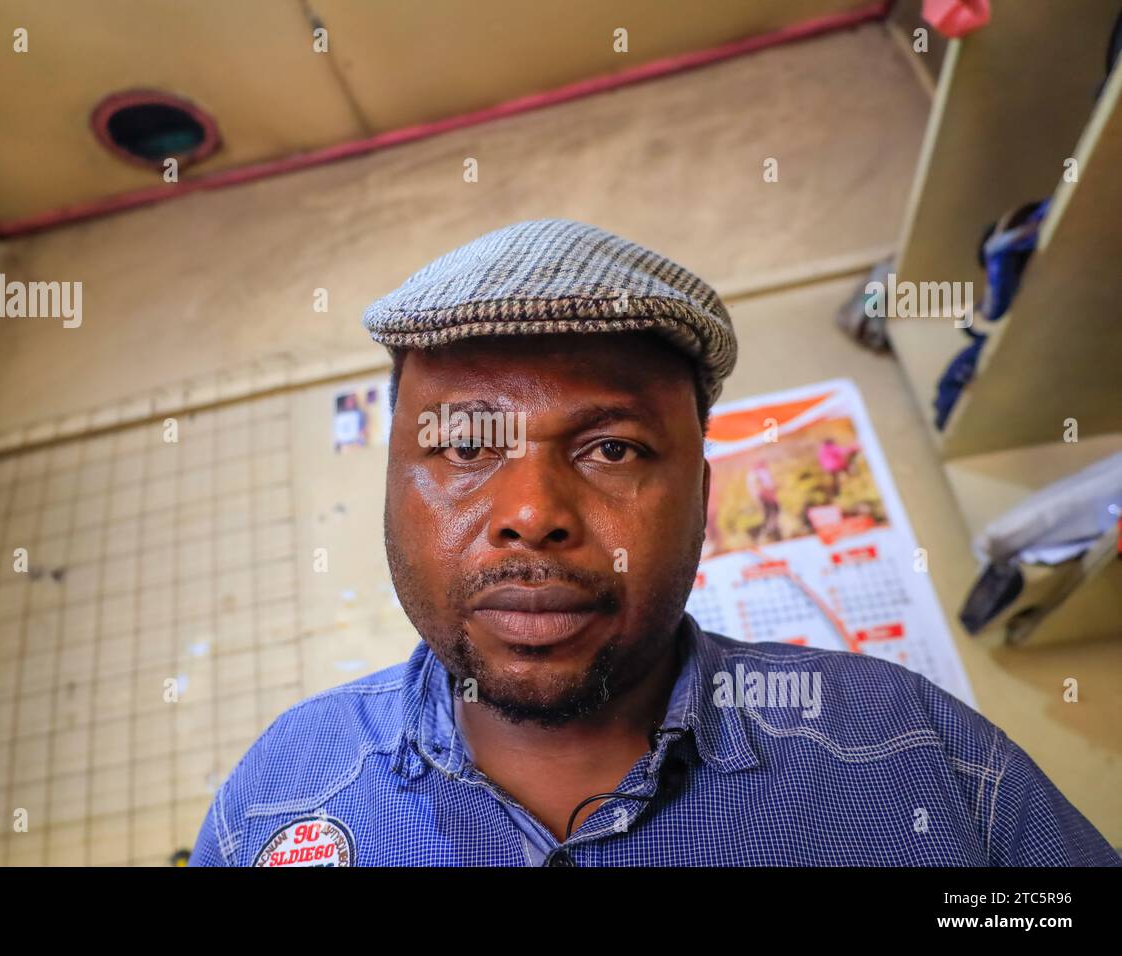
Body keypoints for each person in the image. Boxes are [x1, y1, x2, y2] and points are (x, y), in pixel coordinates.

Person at [190, 219, 1117, 866]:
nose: (532, 512)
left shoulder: (909, 751)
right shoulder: (281, 792)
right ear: (392, 490)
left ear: (702, 495)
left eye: (613, 448)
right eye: (465, 446)